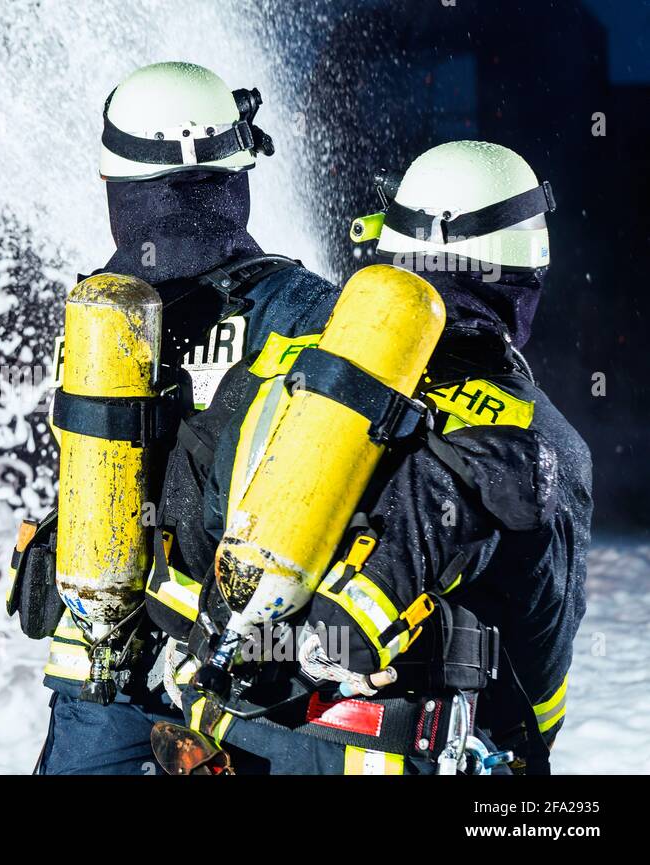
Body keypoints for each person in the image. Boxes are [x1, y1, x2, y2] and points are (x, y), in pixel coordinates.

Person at [158, 140, 590, 774]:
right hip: (384, 751)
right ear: (520, 271)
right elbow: (540, 654)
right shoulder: (540, 435)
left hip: (225, 734)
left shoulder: (284, 361)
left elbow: (190, 527)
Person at [8, 60, 341, 774]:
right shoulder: (314, 313)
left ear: (118, 190)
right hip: (254, 682)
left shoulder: (99, 322)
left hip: (103, 667)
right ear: (237, 176)